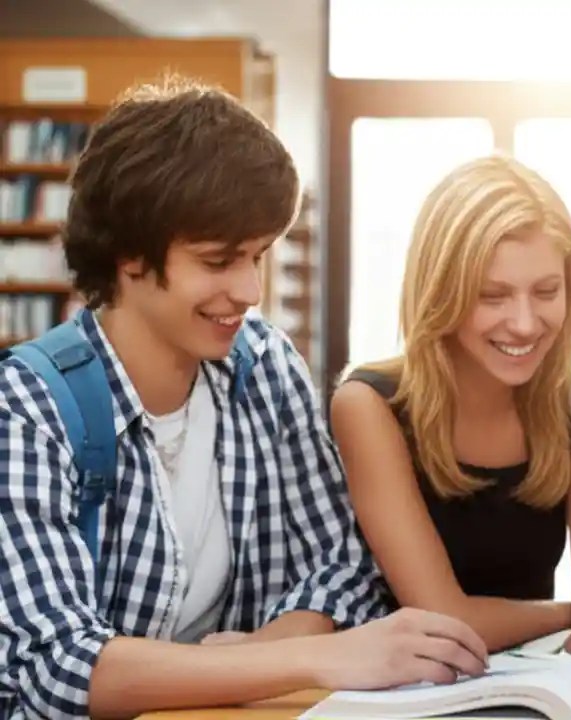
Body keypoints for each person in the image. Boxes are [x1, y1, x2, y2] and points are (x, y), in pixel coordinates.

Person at [0, 79, 489, 720]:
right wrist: (315, 657)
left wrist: (259, 654)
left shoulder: (262, 365)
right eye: (219, 260)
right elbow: (56, 667)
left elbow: (341, 566)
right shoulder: (28, 409)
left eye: (258, 256)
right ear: (127, 254)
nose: (250, 289)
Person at [330, 155, 571, 655]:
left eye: (546, 291)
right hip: (403, 689)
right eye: (493, 296)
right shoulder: (368, 406)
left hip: (530, 686)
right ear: (441, 293)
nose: (524, 323)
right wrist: (569, 614)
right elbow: (441, 617)